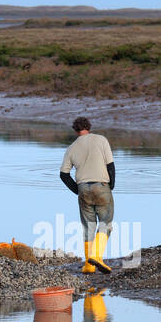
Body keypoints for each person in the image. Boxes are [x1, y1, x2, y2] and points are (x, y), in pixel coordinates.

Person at [59, 117, 114, 274]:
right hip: (102, 186)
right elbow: (110, 165)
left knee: (88, 226)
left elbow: (63, 175)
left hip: (83, 189)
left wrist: (77, 190)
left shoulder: (71, 148)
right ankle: (96, 256)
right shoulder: (101, 140)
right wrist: (111, 185)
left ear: (75, 130)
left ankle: (89, 266)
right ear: (89, 127)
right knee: (105, 223)